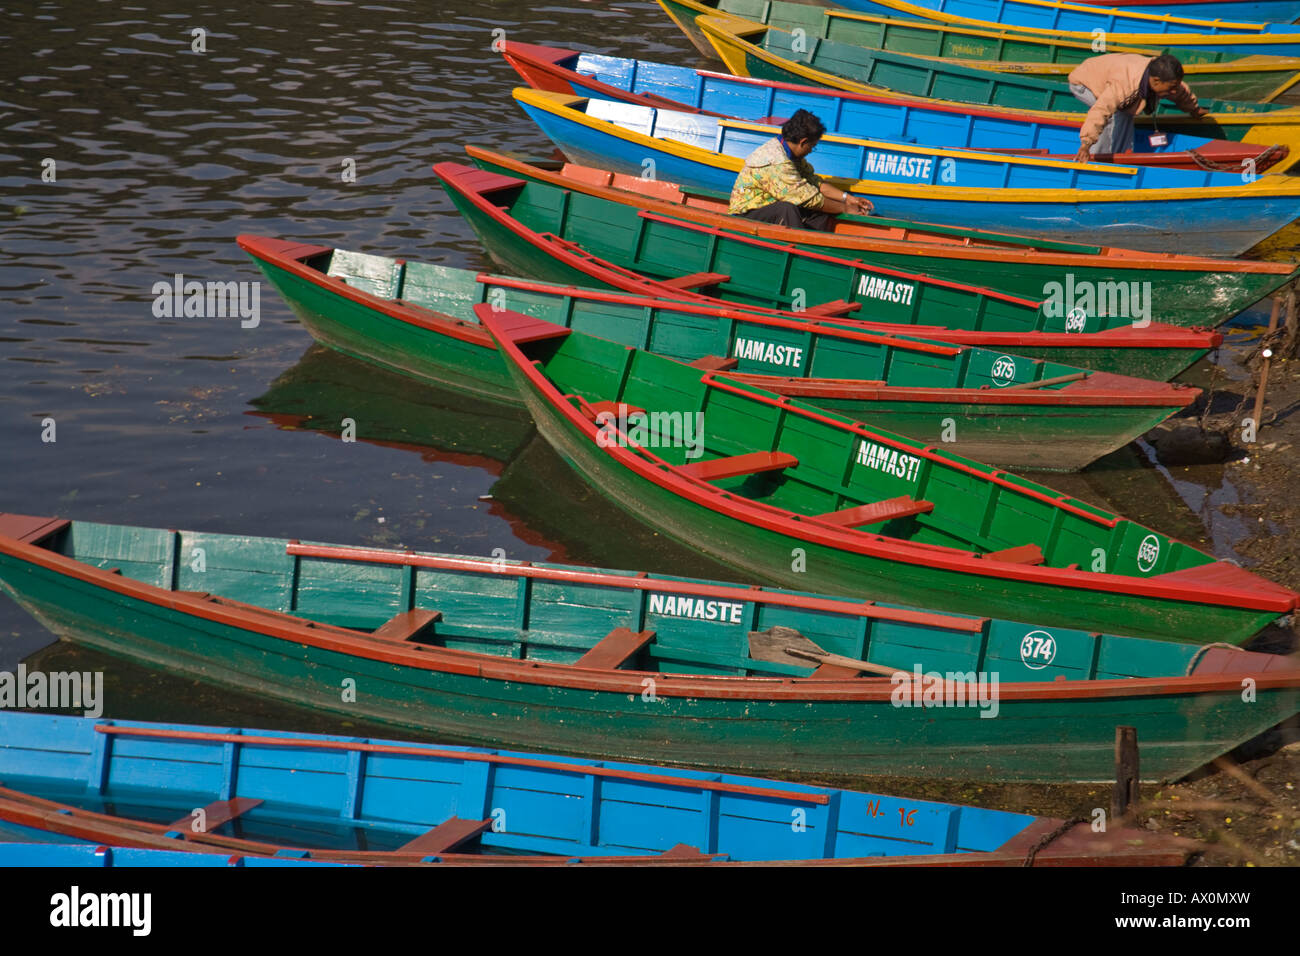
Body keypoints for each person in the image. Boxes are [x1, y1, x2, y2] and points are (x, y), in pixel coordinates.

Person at [729, 109, 872, 229]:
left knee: (821, 210)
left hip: (772, 206)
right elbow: (806, 198)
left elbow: (814, 183)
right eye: (812, 146)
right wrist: (845, 208)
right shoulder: (776, 161)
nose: (811, 151)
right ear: (803, 142)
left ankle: (815, 244)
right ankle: (799, 252)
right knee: (787, 210)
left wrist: (848, 199)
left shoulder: (790, 153)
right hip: (746, 216)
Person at [1069, 53, 1209, 161]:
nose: (1174, 91)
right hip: (1084, 83)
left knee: (1124, 113)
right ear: (1156, 81)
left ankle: (1121, 156)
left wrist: (1194, 110)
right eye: (1171, 88)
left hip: (1111, 78)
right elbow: (1100, 110)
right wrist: (1086, 144)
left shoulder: (1164, 77)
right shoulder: (1125, 85)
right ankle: (1096, 160)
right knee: (1113, 116)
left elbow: (1181, 92)